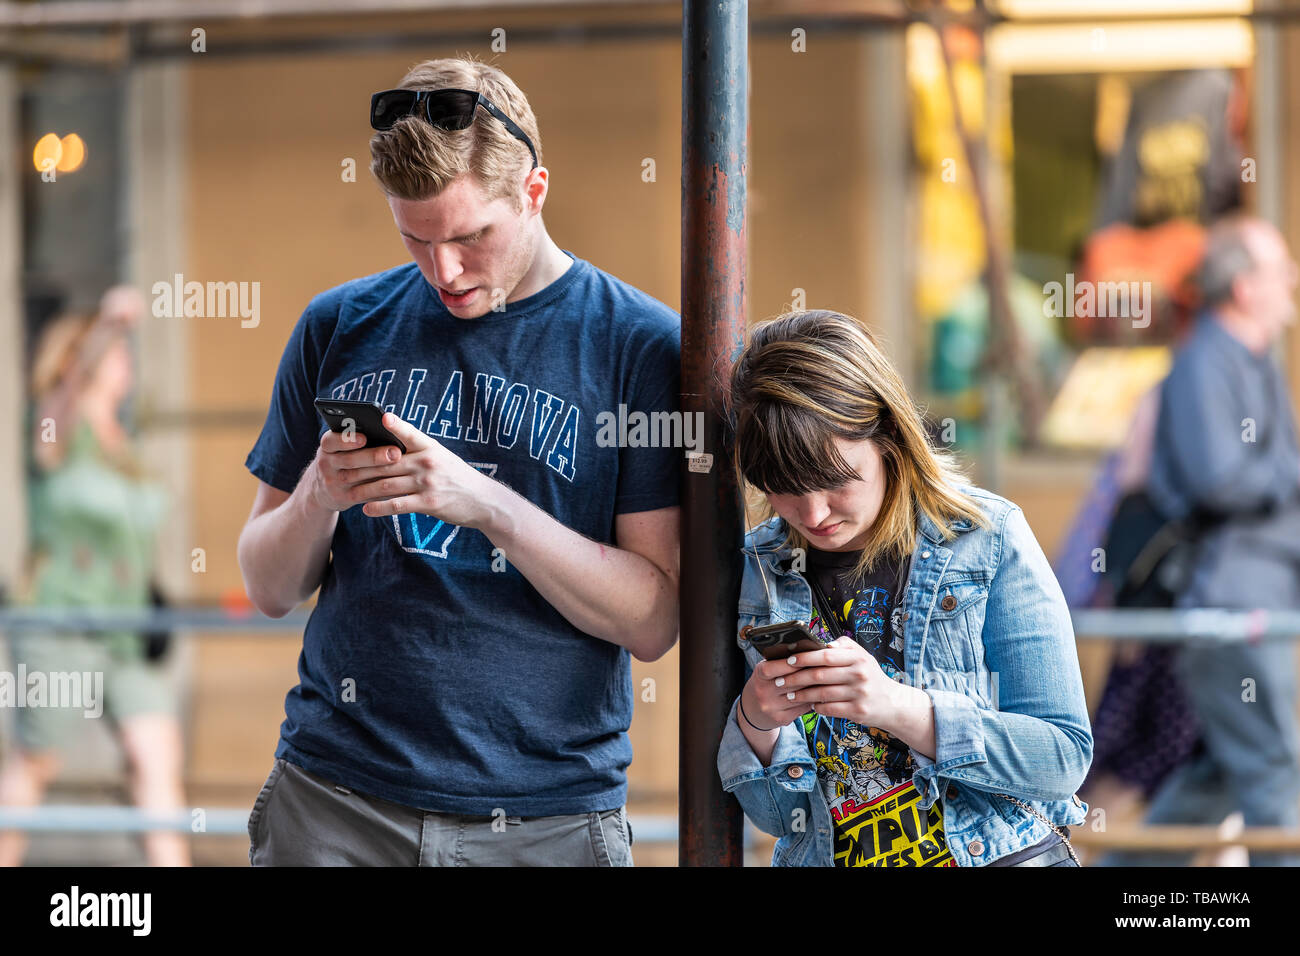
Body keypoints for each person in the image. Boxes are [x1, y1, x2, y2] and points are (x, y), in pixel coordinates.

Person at [237, 57, 681, 866]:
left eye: (472, 236)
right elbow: (267, 586)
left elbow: (652, 619)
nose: (444, 270)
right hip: (334, 800)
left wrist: (485, 503)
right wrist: (317, 495)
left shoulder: (639, 346)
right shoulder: (338, 324)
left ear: (534, 192)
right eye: (415, 238)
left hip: (546, 820)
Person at [715, 309, 1093, 867]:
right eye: (784, 490)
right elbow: (781, 817)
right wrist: (756, 721)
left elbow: (1061, 758)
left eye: (836, 480)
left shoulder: (984, 538)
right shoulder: (759, 568)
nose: (813, 513)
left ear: (889, 436)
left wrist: (900, 708)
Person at [1096, 215, 1300, 867]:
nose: (1292, 280)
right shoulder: (1205, 362)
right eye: (1279, 270)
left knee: (1215, 778)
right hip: (1229, 603)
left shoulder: (1251, 359)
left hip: (1255, 597)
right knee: (1273, 773)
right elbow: (1219, 479)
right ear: (1244, 287)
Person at [0, 287, 188, 867]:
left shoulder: (124, 449)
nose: (125, 357)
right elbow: (64, 393)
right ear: (77, 360)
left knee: (156, 753)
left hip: (124, 632)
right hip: (59, 619)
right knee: (38, 759)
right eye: (114, 350)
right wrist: (105, 321)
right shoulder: (54, 430)